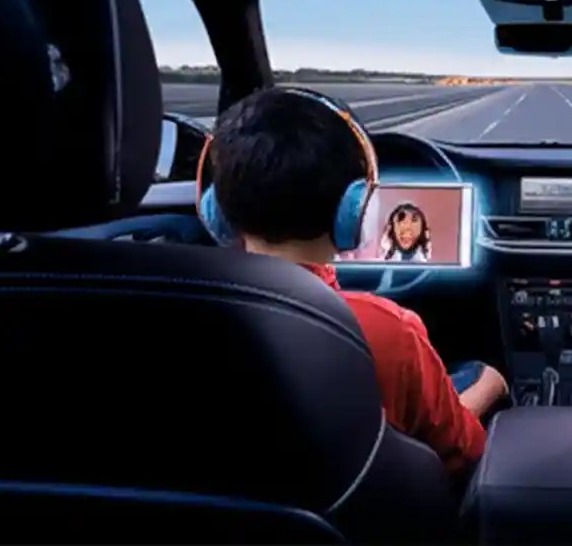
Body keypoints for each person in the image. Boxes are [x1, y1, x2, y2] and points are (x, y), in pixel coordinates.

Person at [208, 87, 507, 475]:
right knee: (477, 373)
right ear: (355, 209)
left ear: (215, 208)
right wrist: (492, 384)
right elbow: (463, 451)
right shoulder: (385, 331)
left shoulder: (171, 308)